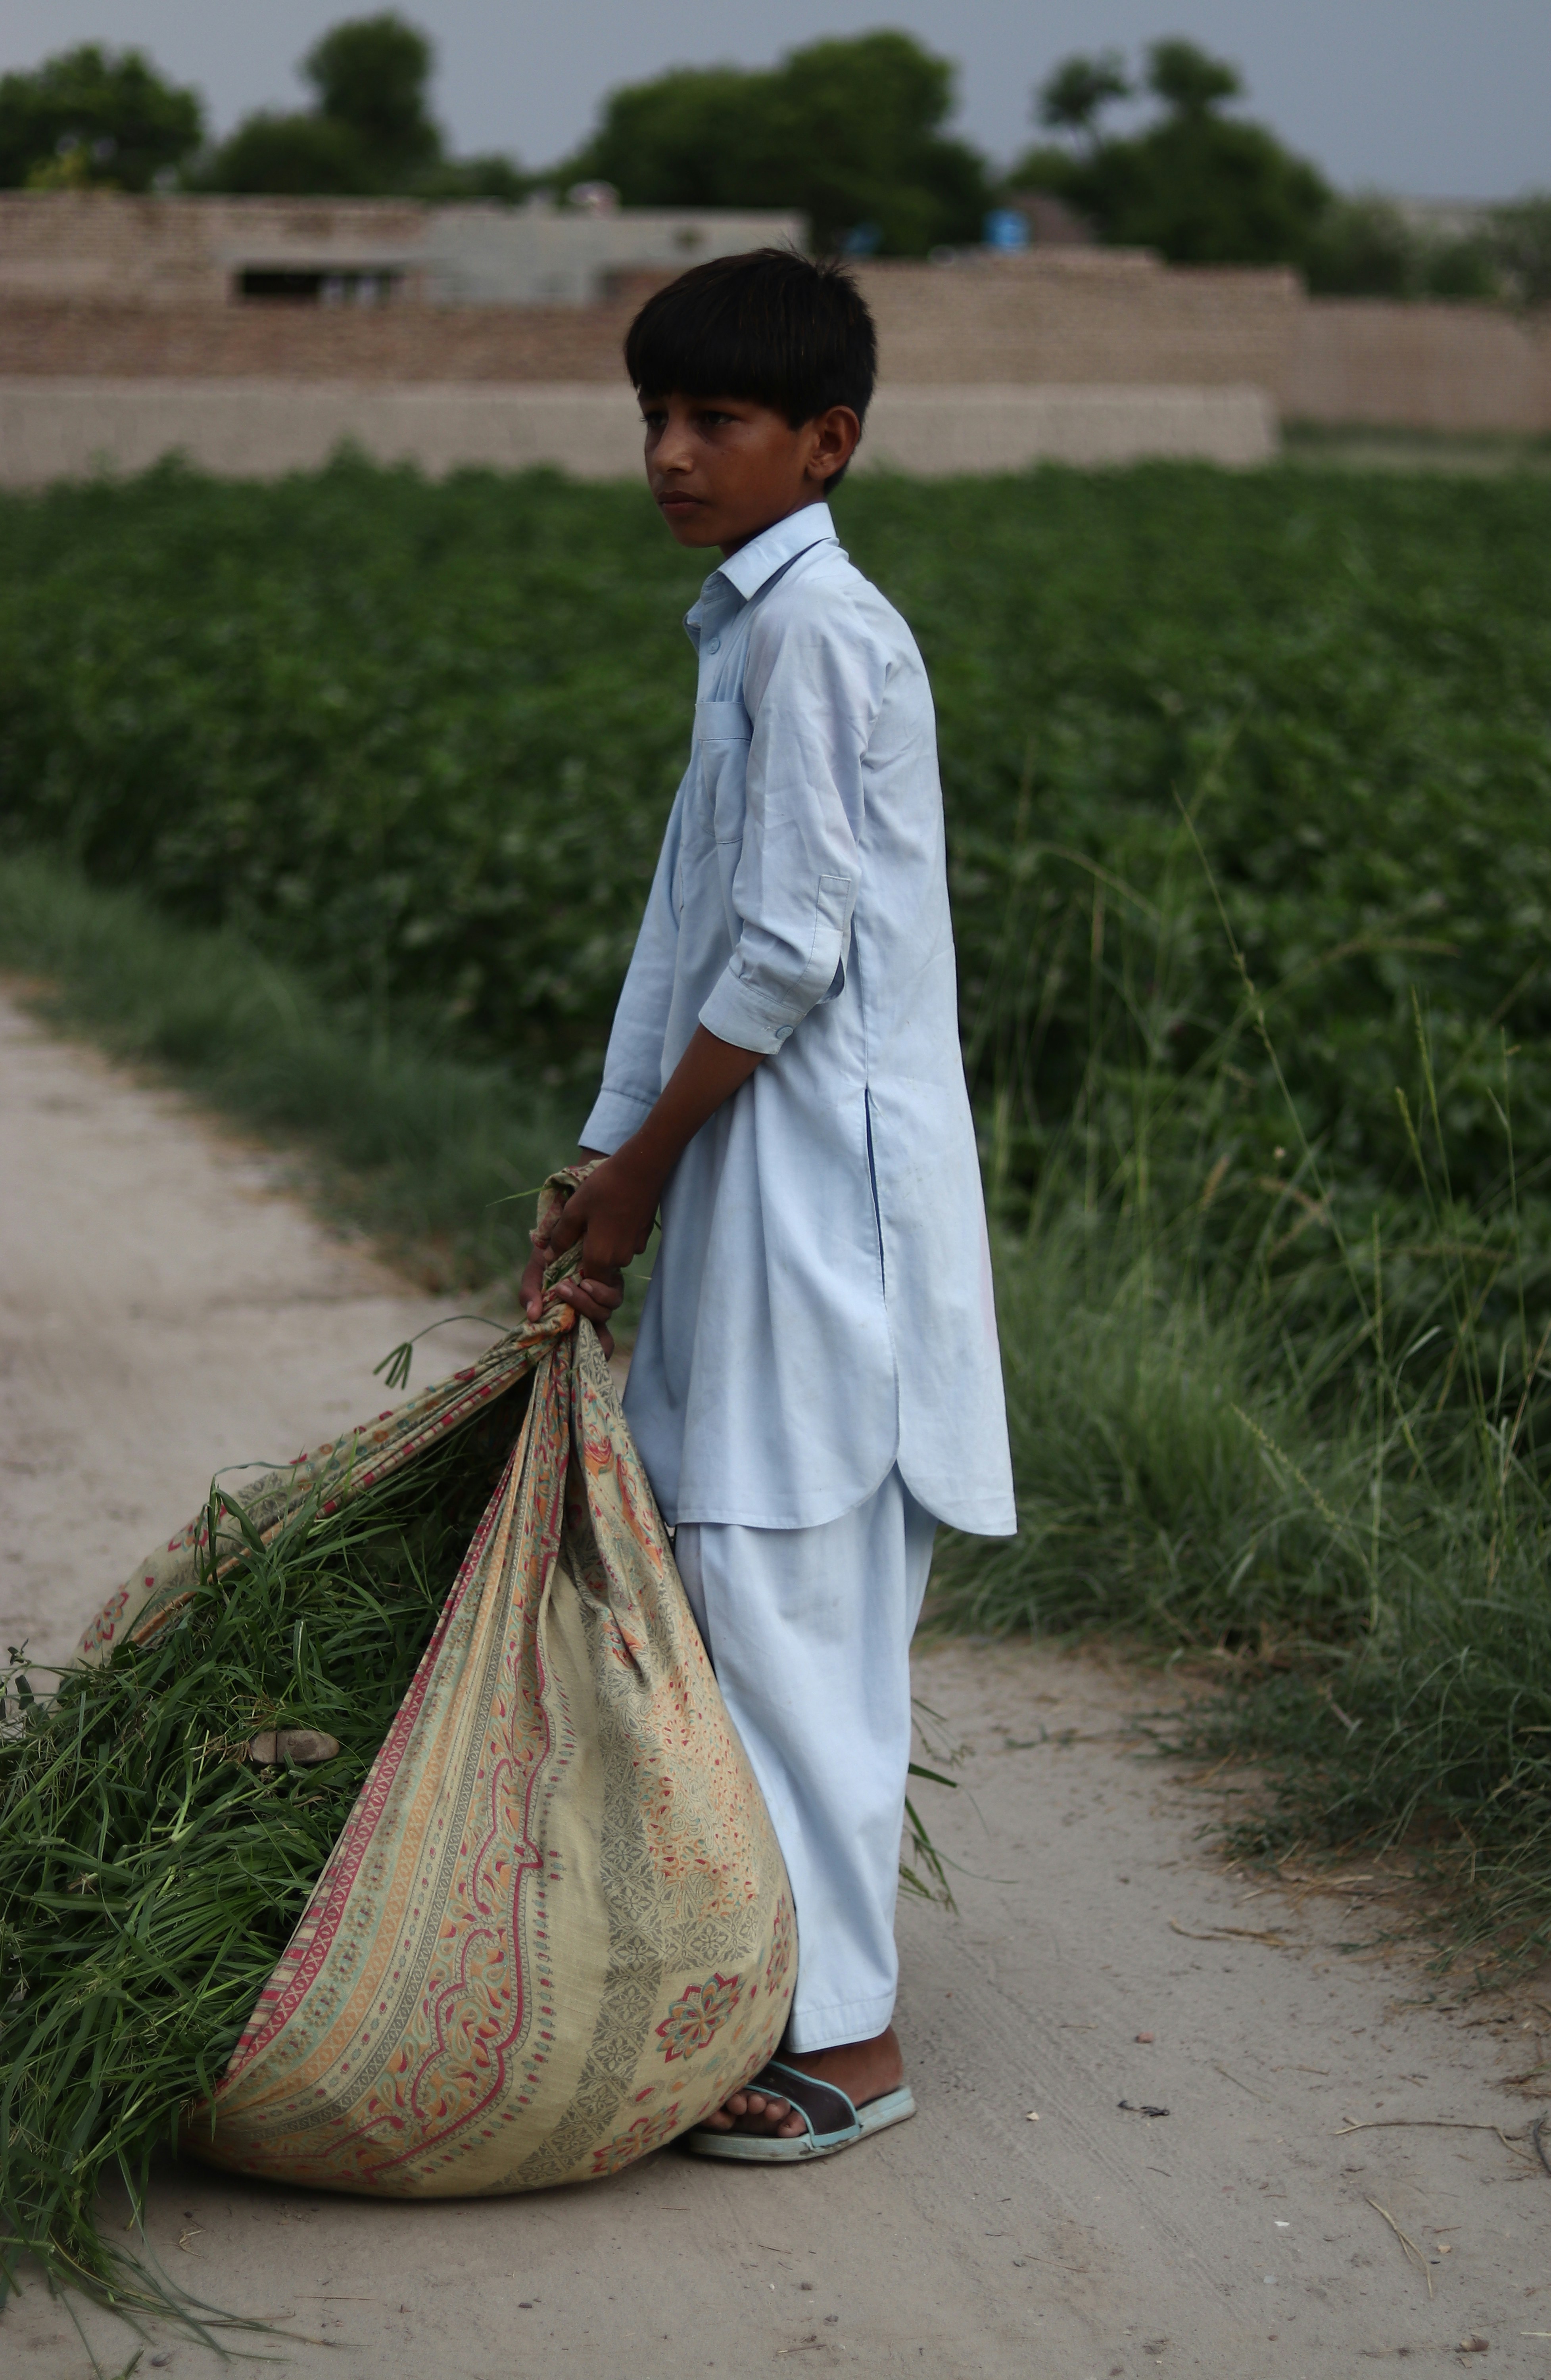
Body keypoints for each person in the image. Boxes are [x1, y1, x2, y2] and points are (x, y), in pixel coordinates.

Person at [520, 248, 1015, 2161]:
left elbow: (791, 949)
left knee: (797, 1614)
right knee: (734, 1584)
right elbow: (687, 937)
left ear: (827, 445)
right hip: (750, 1197)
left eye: (712, 420)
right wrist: (604, 1161)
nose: (667, 454)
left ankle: (852, 2046)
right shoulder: (746, 630)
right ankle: (772, 2002)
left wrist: (638, 1175)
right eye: (651, 418)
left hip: (829, 1224)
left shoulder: (822, 634)